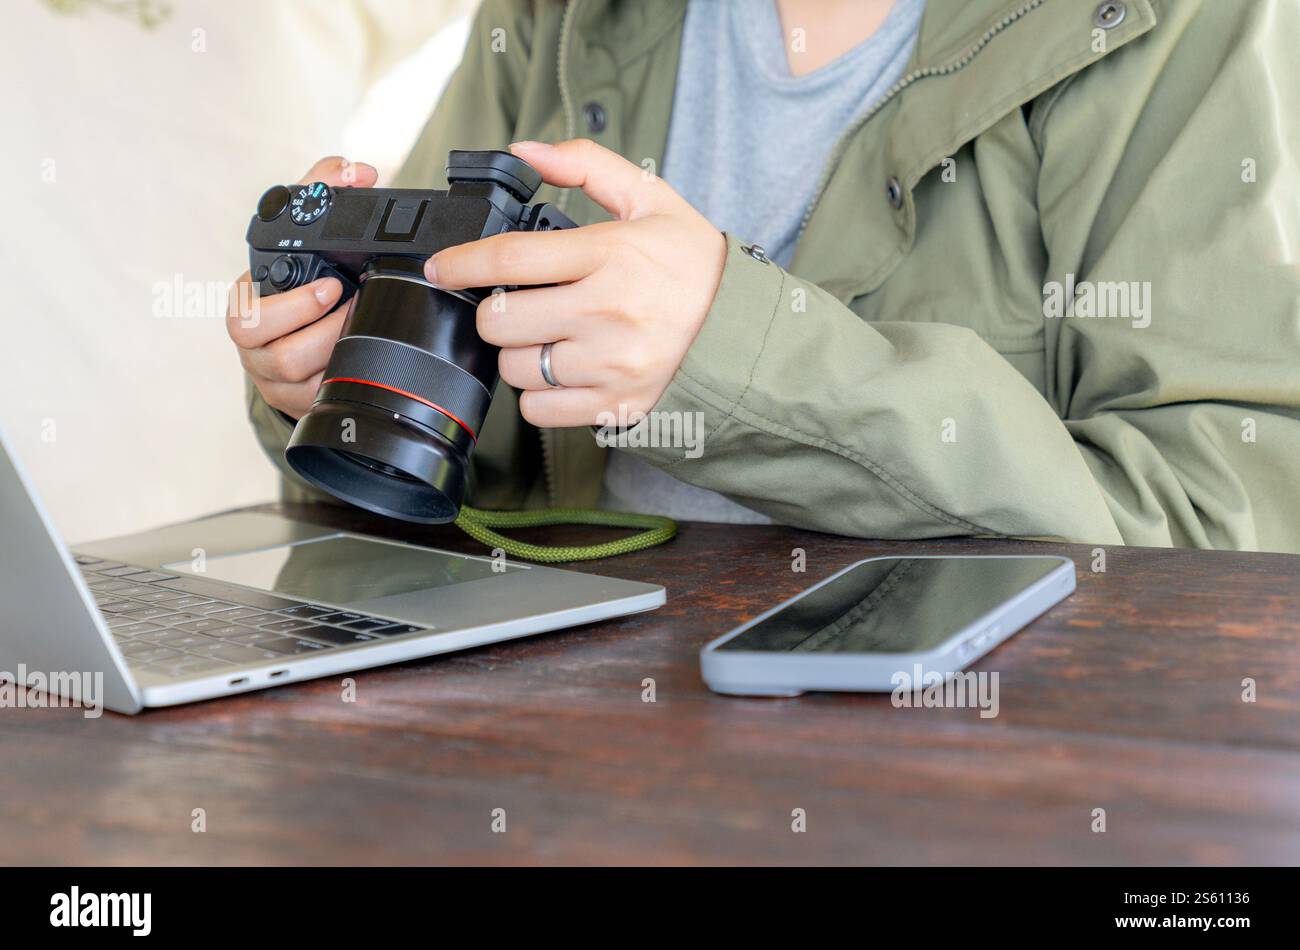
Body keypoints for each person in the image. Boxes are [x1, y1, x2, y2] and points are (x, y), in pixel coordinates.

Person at [226, 0, 1300, 552]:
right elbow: (420, 478)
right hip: (561, 752)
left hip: (963, 772)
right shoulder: (564, 16)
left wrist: (733, 345)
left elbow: (1220, 526)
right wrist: (334, 376)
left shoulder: (1176, 27)